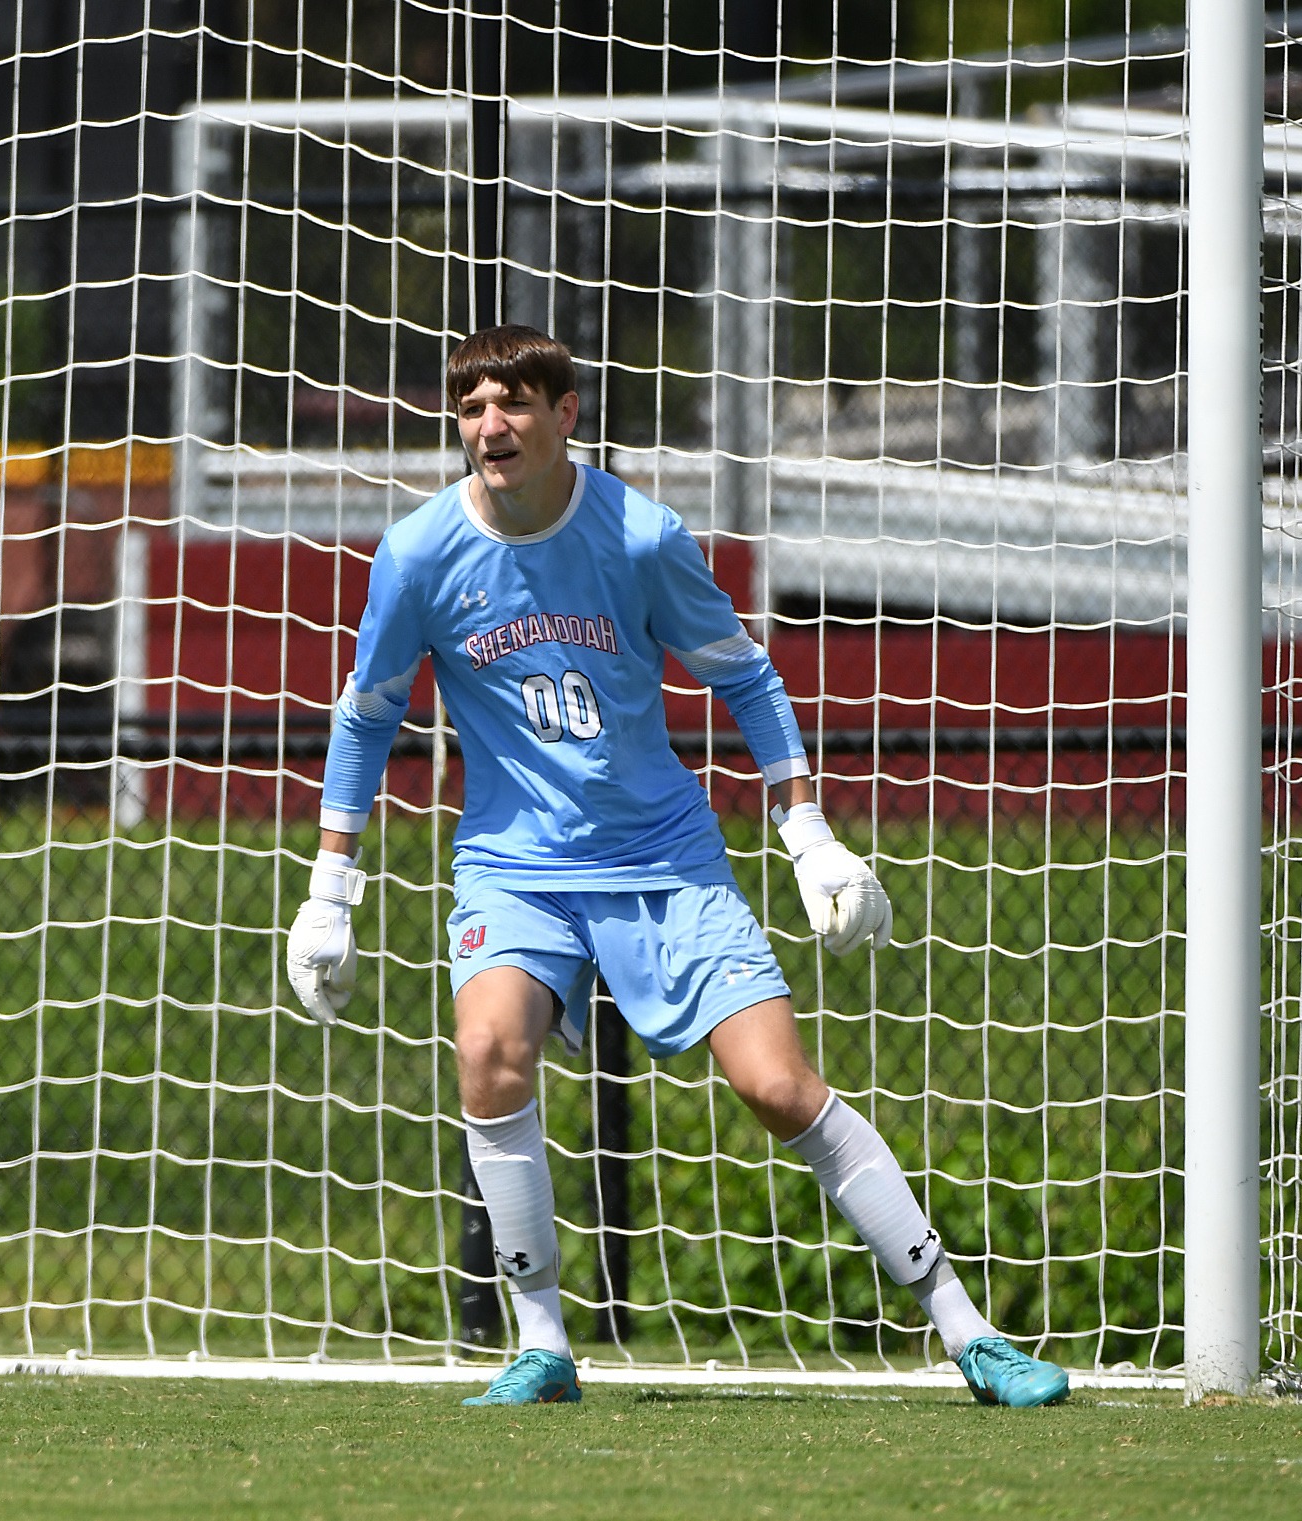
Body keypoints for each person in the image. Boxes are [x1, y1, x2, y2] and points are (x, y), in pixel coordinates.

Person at [284, 324, 1069, 1409]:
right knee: (489, 1056)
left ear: (566, 416)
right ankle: (541, 1343)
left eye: (512, 403)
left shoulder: (641, 537)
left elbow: (745, 679)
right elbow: (366, 716)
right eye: (470, 408)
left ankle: (965, 1330)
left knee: (777, 1088)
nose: (488, 427)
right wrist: (331, 887)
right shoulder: (418, 553)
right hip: (515, 869)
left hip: (664, 860)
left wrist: (807, 836)